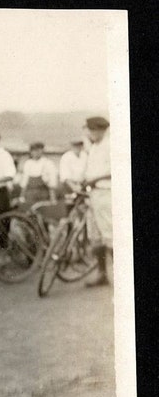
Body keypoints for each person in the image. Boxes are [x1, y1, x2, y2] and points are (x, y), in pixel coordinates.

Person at [82, 116, 112, 286]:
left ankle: (123, 277)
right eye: (89, 130)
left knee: (110, 235)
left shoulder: (109, 146)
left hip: (105, 193)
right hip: (93, 194)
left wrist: (95, 179)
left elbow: (118, 169)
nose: (90, 133)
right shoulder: (94, 147)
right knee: (96, 236)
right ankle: (102, 274)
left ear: (101, 130)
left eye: (92, 130)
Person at [17, 141, 58, 207]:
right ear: (31, 152)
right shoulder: (28, 163)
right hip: (29, 194)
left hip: (43, 194)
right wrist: (21, 196)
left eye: (38, 150)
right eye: (34, 150)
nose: (36, 152)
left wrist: (53, 199)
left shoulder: (48, 163)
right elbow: (24, 182)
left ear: (42, 151)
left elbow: (52, 183)